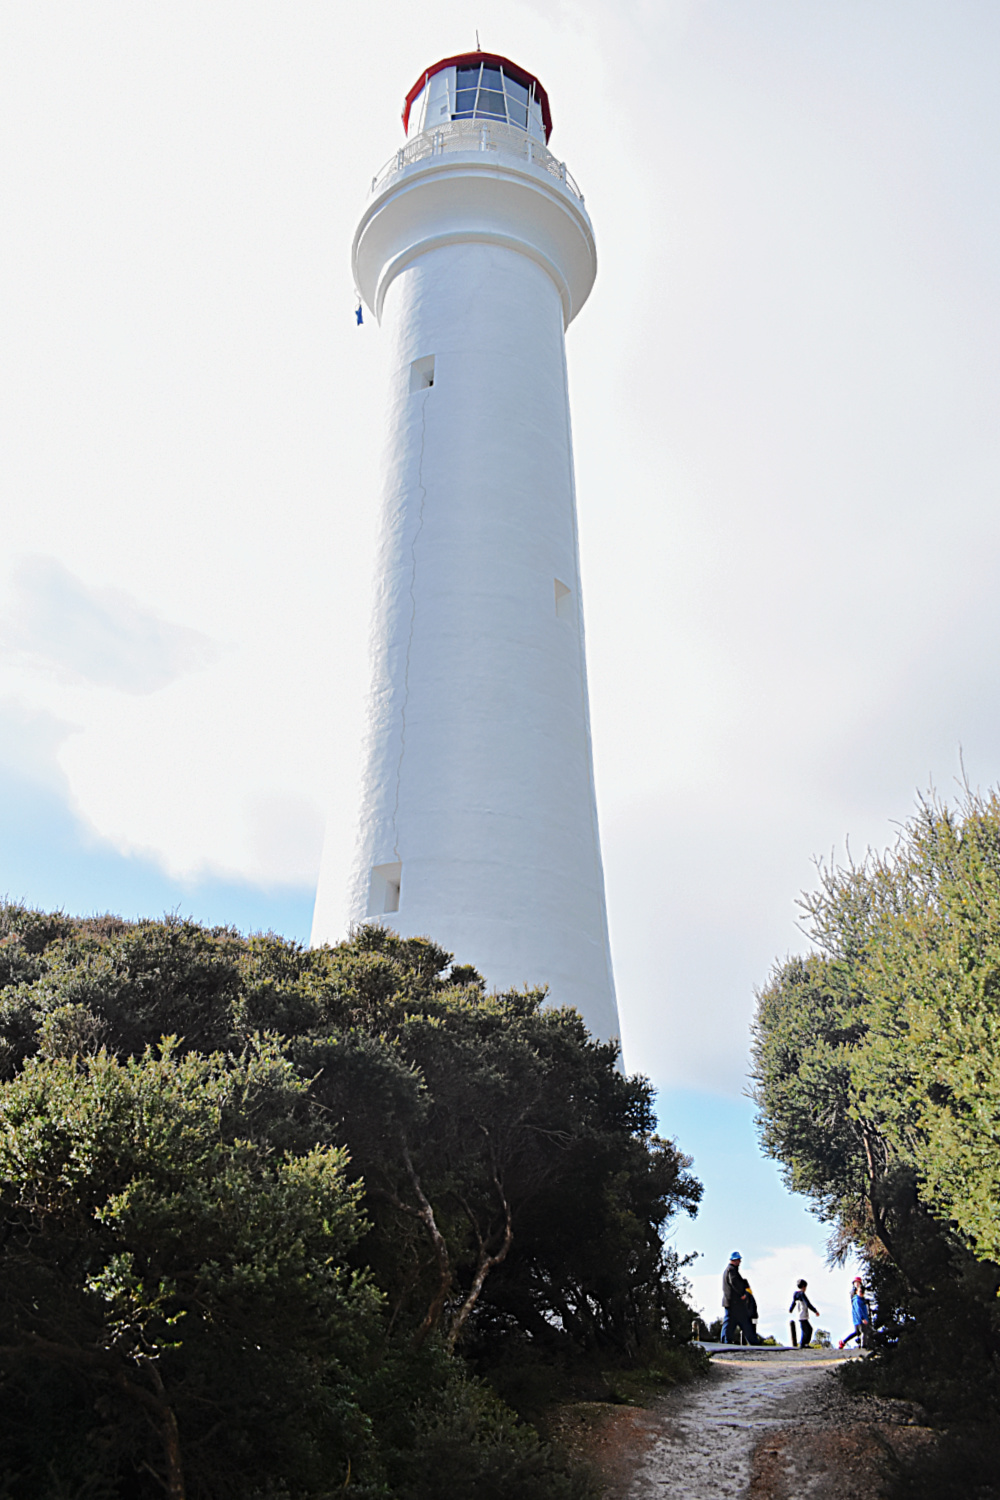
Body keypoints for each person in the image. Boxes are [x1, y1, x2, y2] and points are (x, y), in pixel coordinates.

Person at [720, 1252, 759, 1344]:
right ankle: (754, 1342)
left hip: (730, 1302)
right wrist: (742, 1293)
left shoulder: (727, 1270)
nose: (740, 1262)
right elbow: (734, 1282)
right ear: (734, 1260)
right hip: (735, 1303)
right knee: (744, 1323)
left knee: (729, 1323)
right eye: (738, 1260)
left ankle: (725, 1341)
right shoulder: (732, 1270)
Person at [838, 1278, 873, 1349]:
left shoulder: (861, 1294)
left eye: (858, 1283)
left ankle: (844, 1341)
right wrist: (862, 1317)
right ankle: (863, 1346)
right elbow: (857, 1307)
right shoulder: (855, 1296)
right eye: (856, 1283)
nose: (857, 1284)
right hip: (858, 1316)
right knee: (863, 1331)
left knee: (857, 1332)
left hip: (859, 1316)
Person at [789, 1279, 818, 1348]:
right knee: (807, 1330)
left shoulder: (795, 1294)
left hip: (799, 1315)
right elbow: (807, 1303)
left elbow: (793, 1303)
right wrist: (815, 1311)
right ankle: (803, 1344)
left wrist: (791, 1309)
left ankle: (804, 1344)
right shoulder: (802, 1294)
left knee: (808, 1329)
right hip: (803, 1315)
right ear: (803, 1286)